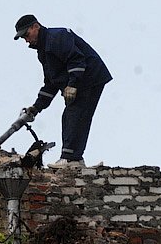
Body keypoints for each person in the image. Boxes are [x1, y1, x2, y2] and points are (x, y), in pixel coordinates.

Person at [14, 14, 112, 168]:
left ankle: (70, 159)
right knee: (74, 115)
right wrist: (35, 108)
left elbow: (76, 59)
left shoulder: (56, 37)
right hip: (83, 80)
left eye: (26, 34)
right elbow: (51, 83)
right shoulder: (43, 51)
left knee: (74, 115)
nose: (26, 40)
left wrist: (72, 84)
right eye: (23, 38)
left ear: (36, 26)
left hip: (89, 77)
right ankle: (75, 159)